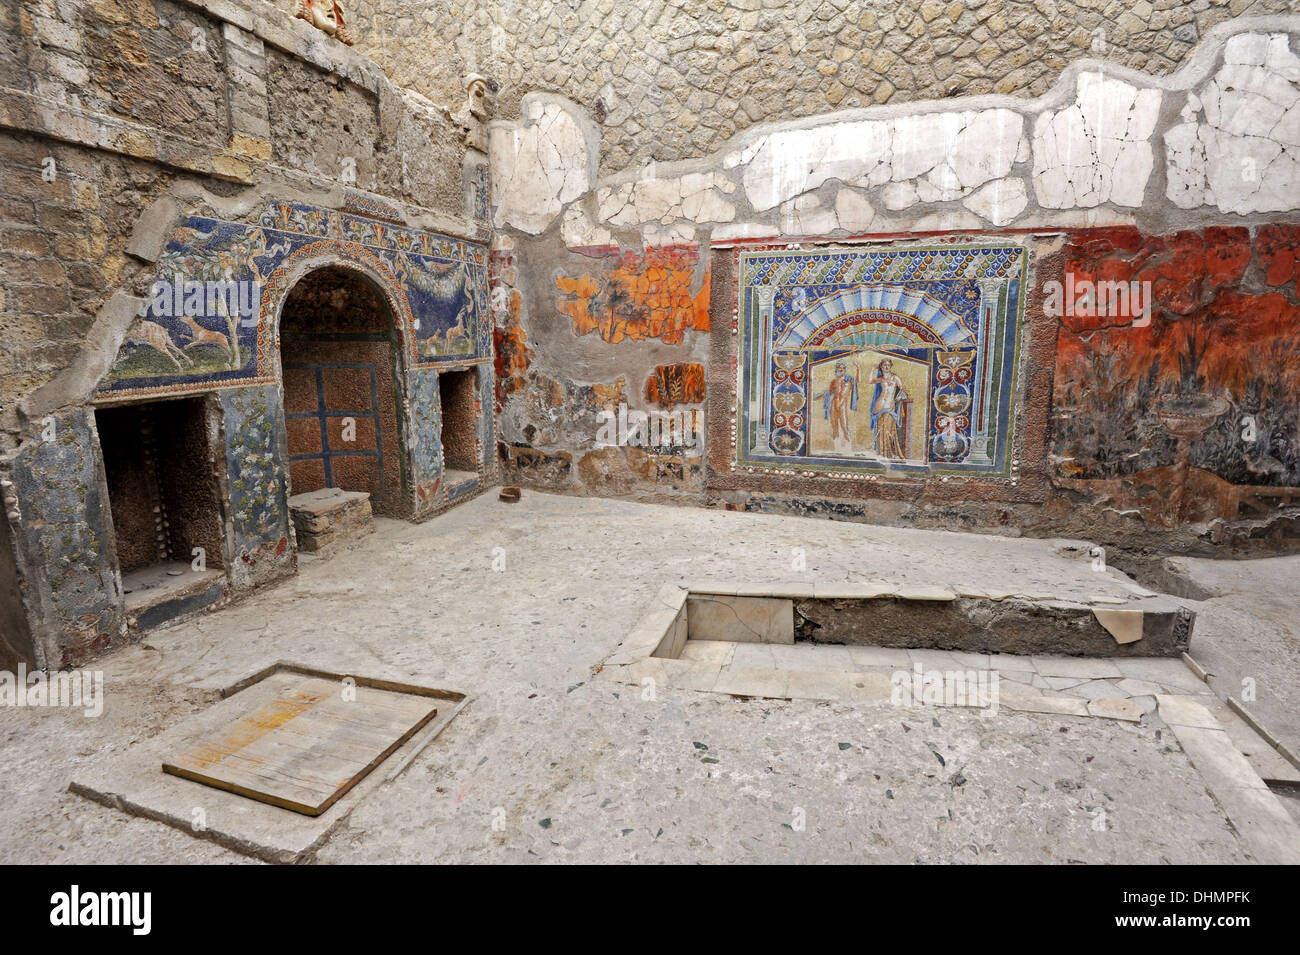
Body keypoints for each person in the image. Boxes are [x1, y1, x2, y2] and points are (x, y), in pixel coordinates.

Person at [814, 360, 858, 453]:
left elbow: (857, 381)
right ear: (836, 369)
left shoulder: (848, 379)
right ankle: (837, 449)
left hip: (842, 404)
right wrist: (816, 397)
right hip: (834, 403)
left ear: (845, 369)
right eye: (839, 368)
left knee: (845, 427)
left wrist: (858, 368)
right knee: (834, 427)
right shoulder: (834, 381)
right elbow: (829, 393)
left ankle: (848, 449)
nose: (841, 369)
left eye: (842, 368)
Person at [869, 359, 908, 459]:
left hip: (889, 406)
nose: (886, 367)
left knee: (889, 430)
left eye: (888, 365)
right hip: (880, 405)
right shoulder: (881, 379)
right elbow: (870, 381)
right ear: (881, 367)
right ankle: (882, 453)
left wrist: (900, 396)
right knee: (881, 430)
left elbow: (904, 388)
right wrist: (872, 369)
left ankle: (891, 453)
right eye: (884, 365)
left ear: (891, 366)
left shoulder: (895, 378)